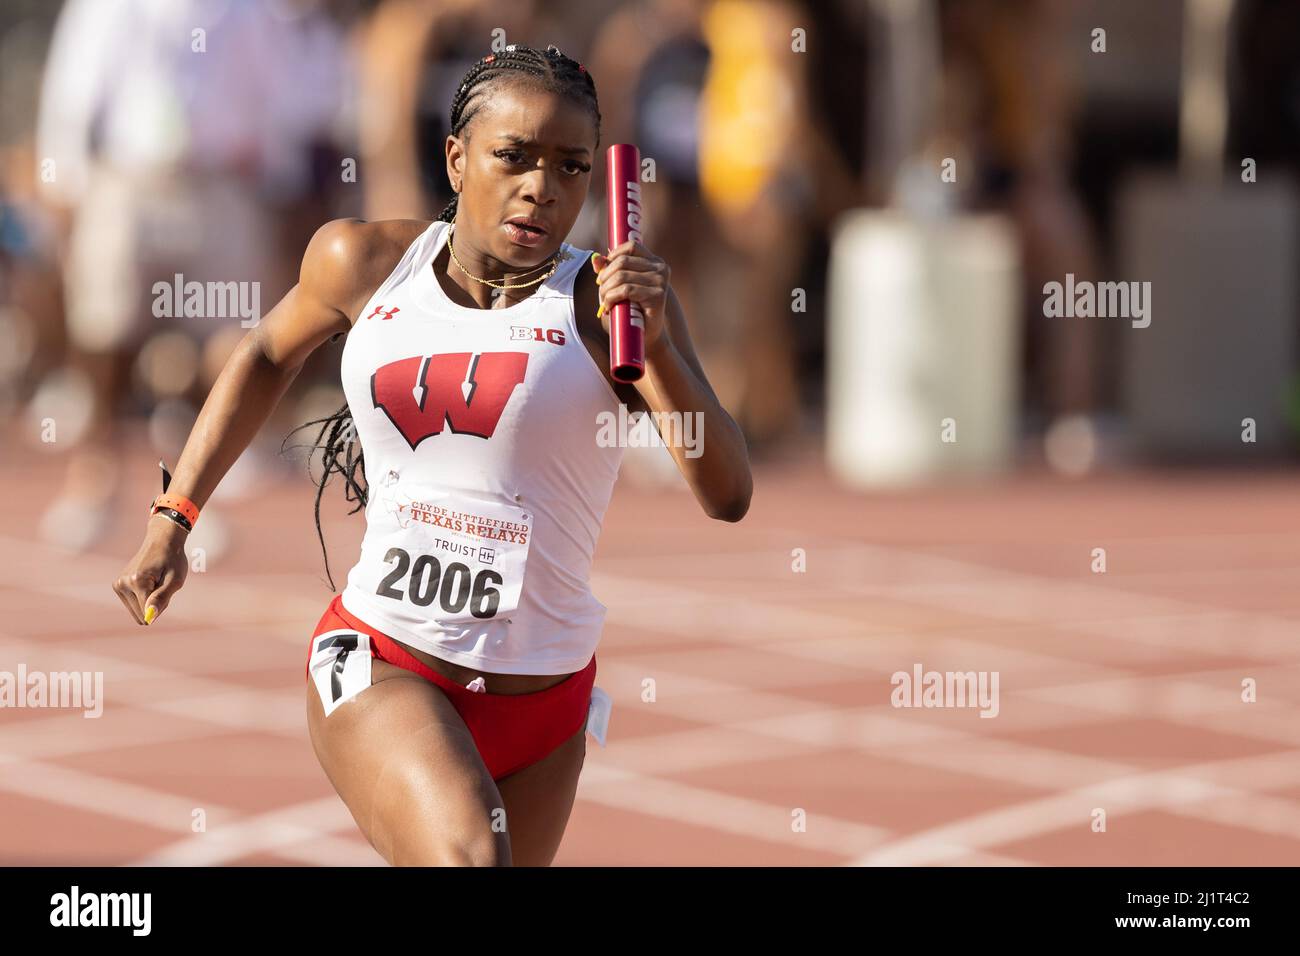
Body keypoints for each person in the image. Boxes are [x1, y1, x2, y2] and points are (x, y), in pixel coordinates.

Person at [111, 44, 752, 866]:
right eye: (513, 157)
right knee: (468, 859)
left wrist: (658, 352)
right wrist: (176, 515)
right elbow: (267, 354)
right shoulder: (366, 261)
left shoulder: (609, 307)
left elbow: (727, 491)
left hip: (548, 701)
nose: (542, 189)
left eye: (571, 167)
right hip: (387, 660)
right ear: (457, 158)